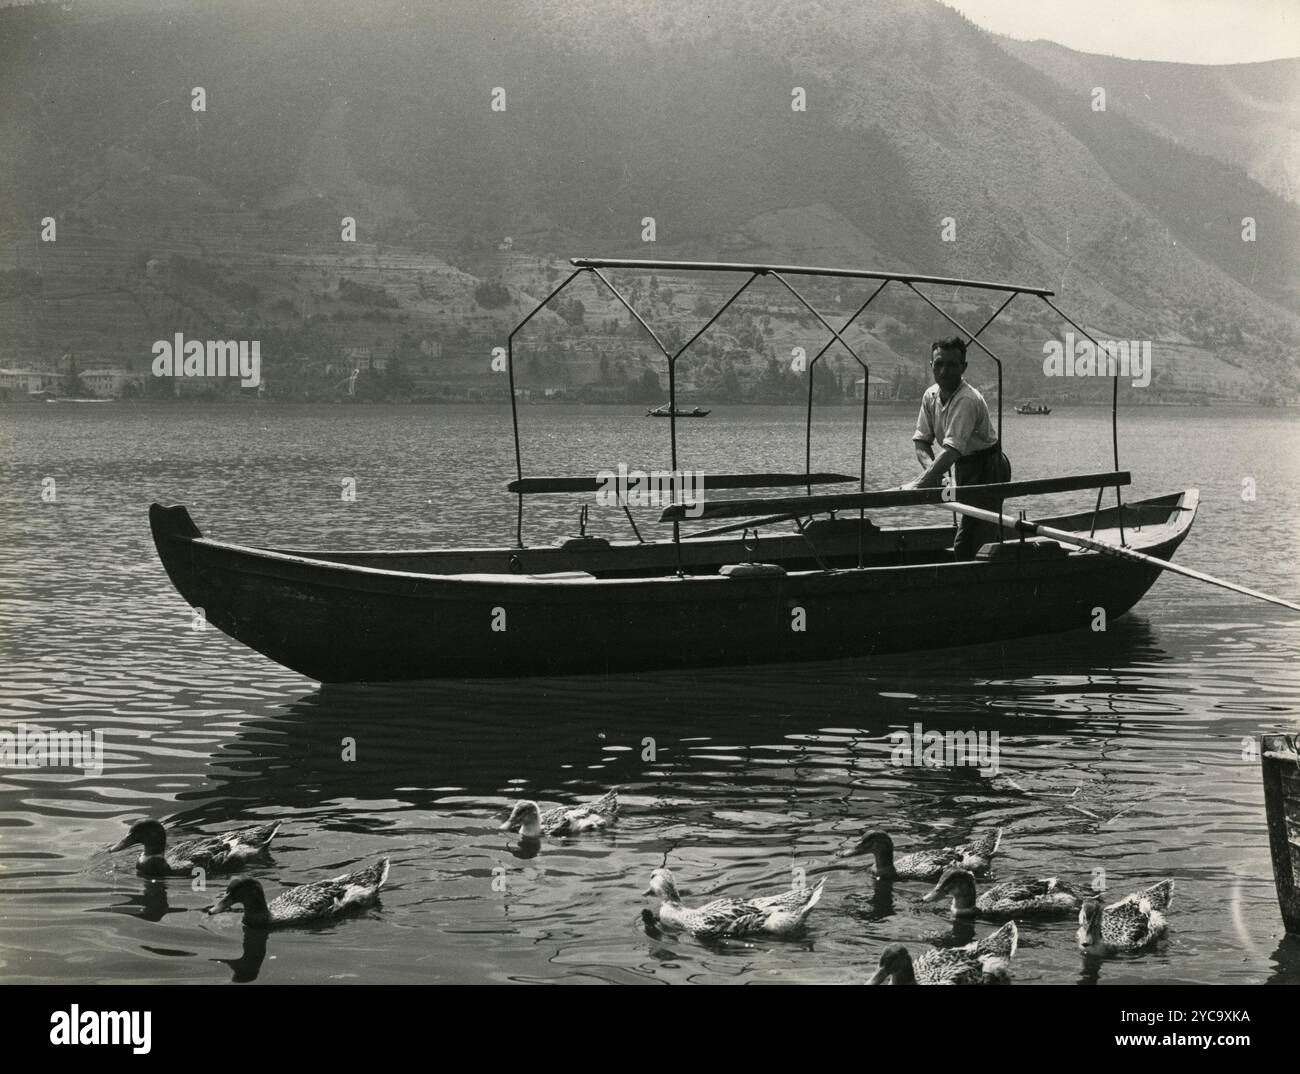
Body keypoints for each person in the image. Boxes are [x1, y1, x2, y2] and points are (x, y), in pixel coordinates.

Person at [907, 337, 1011, 559]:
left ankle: (986, 575)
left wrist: (925, 479)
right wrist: (932, 474)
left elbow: (952, 450)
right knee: (966, 535)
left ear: (963, 367)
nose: (944, 371)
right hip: (961, 467)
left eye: (952, 365)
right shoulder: (930, 395)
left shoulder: (967, 399)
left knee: (980, 537)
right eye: (939, 364)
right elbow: (921, 441)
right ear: (931, 366)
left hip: (988, 468)